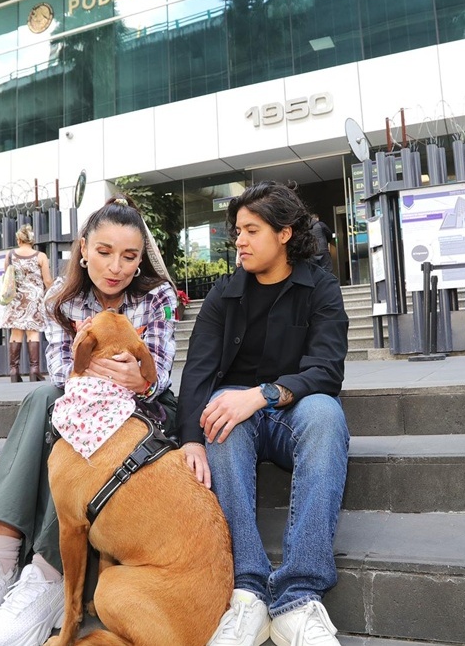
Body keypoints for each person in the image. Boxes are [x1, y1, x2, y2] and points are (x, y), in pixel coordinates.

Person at [0, 197, 179, 646]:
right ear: (83, 250)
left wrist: (132, 376)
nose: (116, 267)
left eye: (129, 256)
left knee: (67, 415)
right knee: (43, 398)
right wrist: (101, 373)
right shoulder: (59, 299)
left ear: (140, 258)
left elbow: (158, 372)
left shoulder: (158, 295)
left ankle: (45, 578)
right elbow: (61, 371)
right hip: (79, 402)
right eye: (104, 252)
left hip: (145, 411)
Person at [175, 183, 348, 646]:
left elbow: (327, 370)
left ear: (285, 233)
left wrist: (262, 394)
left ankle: (298, 598)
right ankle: (247, 592)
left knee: (325, 413)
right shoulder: (224, 295)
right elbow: (198, 370)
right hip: (238, 422)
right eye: (237, 232)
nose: (240, 242)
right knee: (219, 417)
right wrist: (191, 437)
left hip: (298, 416)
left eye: (252, 230)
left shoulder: (321, 288)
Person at [1, 224, 54, 383]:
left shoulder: (10, 255)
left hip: (16, 298)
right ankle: (34, 370)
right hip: (34, 298)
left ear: (18, 239)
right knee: (33, 332)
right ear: (32, 240)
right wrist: (53, 293)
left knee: (16, 333)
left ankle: (14, 370)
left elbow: (7, 277)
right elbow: (47, 280)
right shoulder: (40, 256)